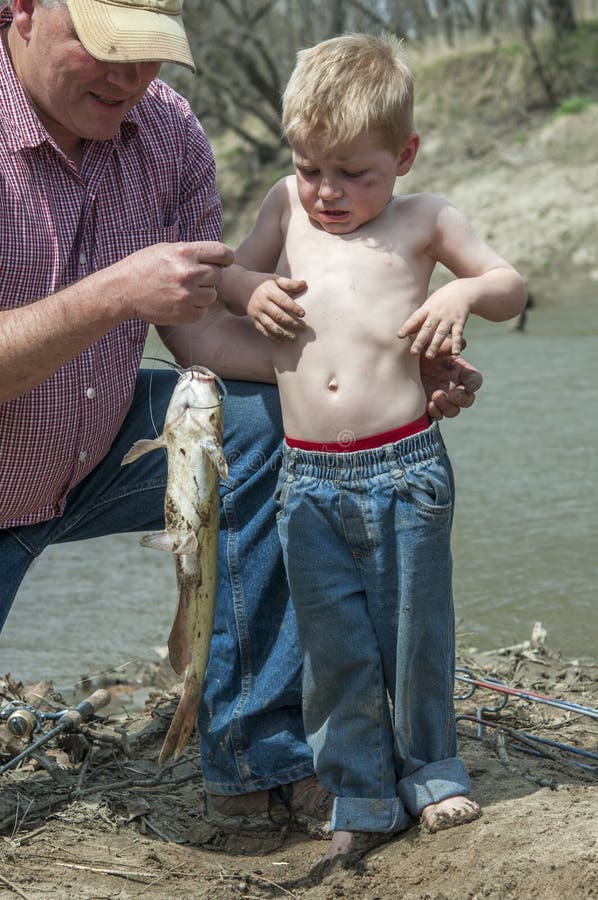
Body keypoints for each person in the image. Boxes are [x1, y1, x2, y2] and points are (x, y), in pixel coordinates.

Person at [0, 0, 482, 846]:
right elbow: (134, 302)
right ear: (24, 11)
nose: (129, 80)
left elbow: (200, 340)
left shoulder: (167, 130)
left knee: (260, 425)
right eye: (105, 49)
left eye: (150, 56)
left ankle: (256, 755)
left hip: (103, 447)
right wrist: (115, 292)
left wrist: (390, 368)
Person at [220, 32, 527, 863]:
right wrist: (248, 289)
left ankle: (430, 770)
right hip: (306, 479)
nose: (329, 191)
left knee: (415, 633)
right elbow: (227, 277)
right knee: (334, 646)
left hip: (405, 469)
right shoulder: (285, 205)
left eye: (356, 172)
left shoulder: (425, 218)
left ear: (405, 154)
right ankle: (359, 787)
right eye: (313, 166)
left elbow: (511, 285)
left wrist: (461, 289)